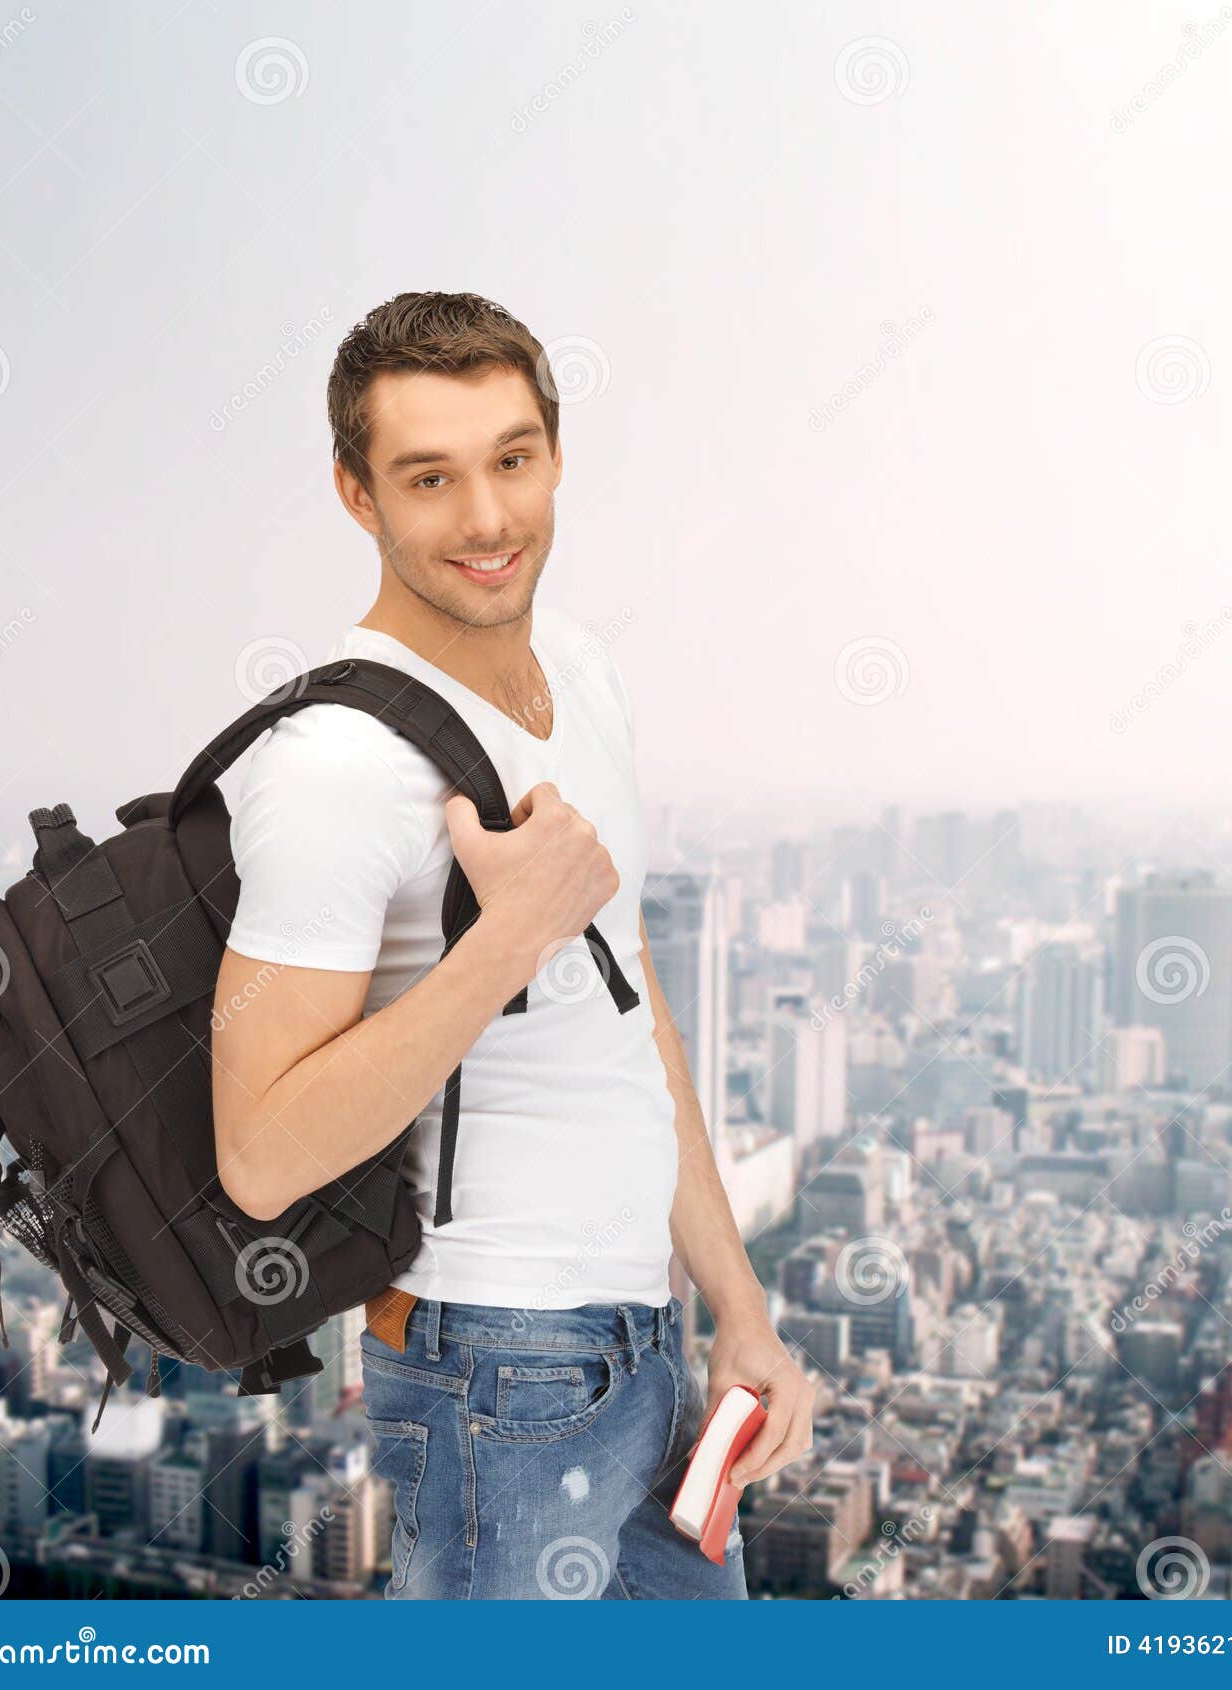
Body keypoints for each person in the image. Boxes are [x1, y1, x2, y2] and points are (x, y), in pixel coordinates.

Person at [209, 291, 813, 1599]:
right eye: (429, 476)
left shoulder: (585, 673)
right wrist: (506, 937)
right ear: (356, 495)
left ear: (552, 454)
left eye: (512, 459)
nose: (485, 518)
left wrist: (736, 1301)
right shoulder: (335, 762)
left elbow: (624, 1009)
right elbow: (259, 1154)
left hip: (645, 1346)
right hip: (486, 1371)